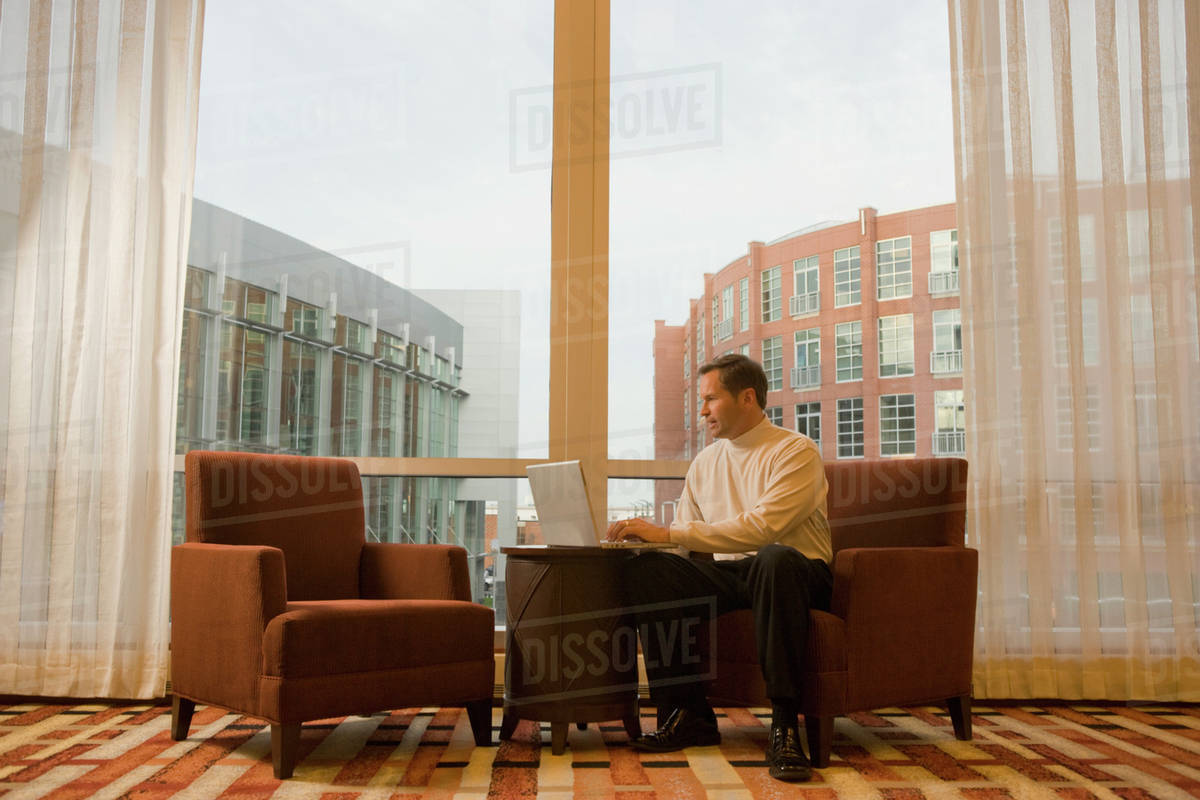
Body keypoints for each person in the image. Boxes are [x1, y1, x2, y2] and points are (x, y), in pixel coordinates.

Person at [606, 353, 832, 783]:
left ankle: (785, 725)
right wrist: (645, 554)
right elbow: (687, 546)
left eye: (711, 399)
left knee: (773, 556)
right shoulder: (706, 462)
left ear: (747, 398)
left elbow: (764, 529)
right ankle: (688, 714)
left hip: (798, 572)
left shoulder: (796, 451)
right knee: (648, 572)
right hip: (735, 576)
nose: (703, 411)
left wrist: (667, 534)